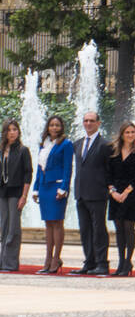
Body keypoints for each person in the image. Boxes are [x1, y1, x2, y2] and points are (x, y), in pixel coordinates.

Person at [72, 111, 111, 276]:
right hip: (81, 193)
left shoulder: (105, 145)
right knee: (85, 230)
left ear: (98, 123)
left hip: (97, 193)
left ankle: (102, 263)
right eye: (86, 121)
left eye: (92, 121)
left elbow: (109, 170)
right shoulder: (78, 144)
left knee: (99, 229)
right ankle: (89, 262)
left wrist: (110, 189)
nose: (88, 124)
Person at [33, 115, 73, 275]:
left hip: (57, 186)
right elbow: (39, 168)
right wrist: (36, 188)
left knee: (57, 223)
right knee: (48, 224)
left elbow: (68, 168)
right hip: (44, 187)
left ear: (62, 127)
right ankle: (47, 258)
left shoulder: (66, 144)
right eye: (51, 125)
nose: (54, 128)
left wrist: (64, 188)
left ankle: (56, 259)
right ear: (48, 127)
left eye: (57, 125)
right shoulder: (44, 144)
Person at [107, 123, 135, 277]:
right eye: (127, 132)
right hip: (115, 194)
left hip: (131, 194)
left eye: (132, 132)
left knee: (129, 228)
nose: (130, 135)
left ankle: (128, 261)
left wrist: (126, 192)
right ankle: (121, 261)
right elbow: (108, 173)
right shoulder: (113, 152)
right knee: (119, 230)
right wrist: (113, 191)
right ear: (122, 134)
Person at [0, 119, 32, 271]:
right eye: (9, 130)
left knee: (13, 228)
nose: (12, 132)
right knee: (3, 225)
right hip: (2, 192)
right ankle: (2, 259)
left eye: (15, 129)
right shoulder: (1, 150)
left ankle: (10, 263)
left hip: (16, 192)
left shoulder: (22, 150)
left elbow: (28, 173)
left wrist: (24, 196)